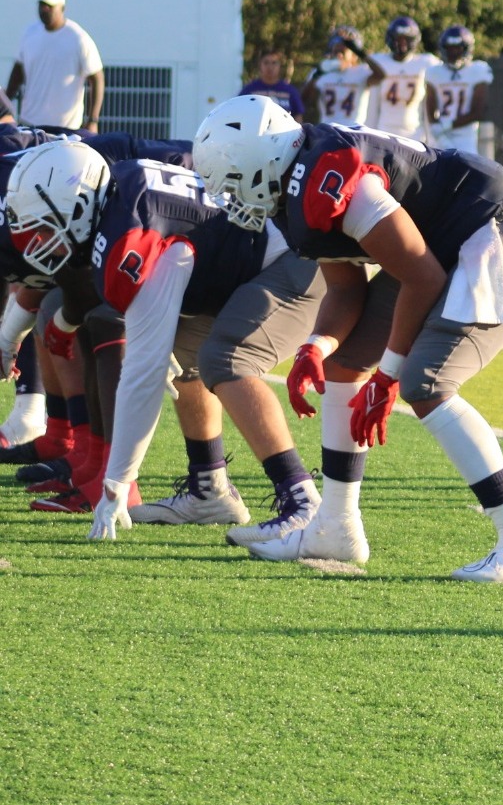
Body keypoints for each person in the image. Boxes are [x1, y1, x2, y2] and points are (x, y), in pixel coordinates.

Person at [192, 95, 503, 581]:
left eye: (233, 183)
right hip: (441, 246)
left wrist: (387, 375)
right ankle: (335, 526)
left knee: (424, 381)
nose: (232, 199)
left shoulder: (334, 179)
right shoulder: (295, 187)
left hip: (495, 230)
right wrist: (316, 346)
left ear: (263, 161)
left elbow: (422, 277)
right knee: (343, 366)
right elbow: (345, 290)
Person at [3, 143, 339, 541]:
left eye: (43, 226)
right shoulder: (115, 204)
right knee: (186, 354)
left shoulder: (140, 234)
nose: (36, 241)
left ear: (77, 208)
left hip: (295, 264)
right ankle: (209, 488)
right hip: (250, 264)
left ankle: (301, 501)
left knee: (226, 358)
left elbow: (142, 376)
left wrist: (117, 484)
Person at [8, 0, 103, 131]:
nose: (44, 9)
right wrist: (7, 103)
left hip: (65, 127)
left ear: (62, 8)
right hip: (30, 123)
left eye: (50, 6)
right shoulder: (30, 33)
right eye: (41, 5)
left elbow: (96, 78)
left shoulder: (78, 38)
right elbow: (18, 70)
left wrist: (93, 120)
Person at [423, 25, 491, 154]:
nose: (453, 53)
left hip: (466, 138)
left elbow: (479, 111)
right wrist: (437, 129)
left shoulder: (477, 70)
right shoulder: (435, 72)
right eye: (450, 49)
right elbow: (430, 105)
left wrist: (448, 125)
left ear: (467, 49)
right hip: (439, 137)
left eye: (458, 48)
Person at [368, 15, 433, 139]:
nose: (402, 43)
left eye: (406, 39)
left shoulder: (426, 63)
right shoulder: (379, 61)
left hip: (414, 132)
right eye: (398, 39)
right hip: (383, 130)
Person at [303, 27, 379, 126]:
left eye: (343, 52)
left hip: (353, 132)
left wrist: (361, 53)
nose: (339, 56)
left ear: (354, 55)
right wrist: (316, 76)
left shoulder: (362, 72)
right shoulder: (321, 72)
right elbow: (305, 100)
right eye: (336, 51)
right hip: (328, 130)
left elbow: (381, 75)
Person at [238, 50, 306, 120]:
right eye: (266, 63)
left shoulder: (290, 91)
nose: (270, 67)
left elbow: (298, 116)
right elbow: (238, 111)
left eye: (274, 63)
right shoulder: (249, 90)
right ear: (260, 65)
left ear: (280, 66)